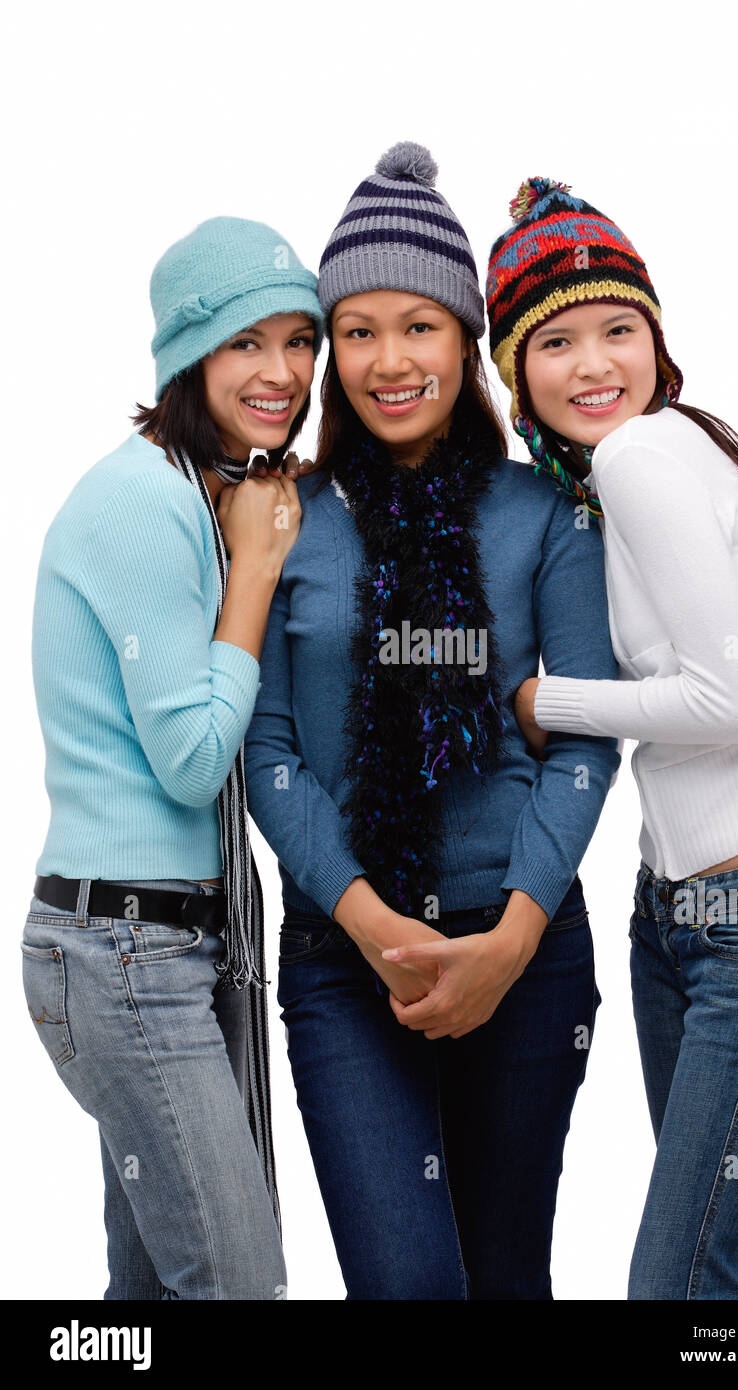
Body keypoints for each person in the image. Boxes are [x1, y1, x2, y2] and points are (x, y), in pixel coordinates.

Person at [243, 143, 621, 1300]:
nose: (389, 360)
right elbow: (267, 753)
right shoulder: (281, 514)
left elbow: (586, 738)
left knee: (508, 1282)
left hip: (526, 946)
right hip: (343, 958)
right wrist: (366, 924)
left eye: (421, 326)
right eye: (356, 330)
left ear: (466, 343)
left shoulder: (541, 513)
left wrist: (508, 940)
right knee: (408, 1285)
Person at [488, 176, 738, 1299]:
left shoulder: (644, 455)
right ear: (514, 371)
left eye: (620, 327)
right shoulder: (651, 465)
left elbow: (732, 701)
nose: (595, 361)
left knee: (684, 1285)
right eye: (555, 340)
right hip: (694, 917)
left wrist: (541, 703)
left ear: (656, 338)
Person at [23, 215, 323, 1298]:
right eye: (248, 342)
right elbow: (194, 763)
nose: (281, 371)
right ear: (188, 357)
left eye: (300, 342)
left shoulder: (197, 488)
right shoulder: (148, 501)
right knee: (240, 1285)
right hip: (123, 955)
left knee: (146, 1303)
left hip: (157, 947)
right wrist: (253, 568)